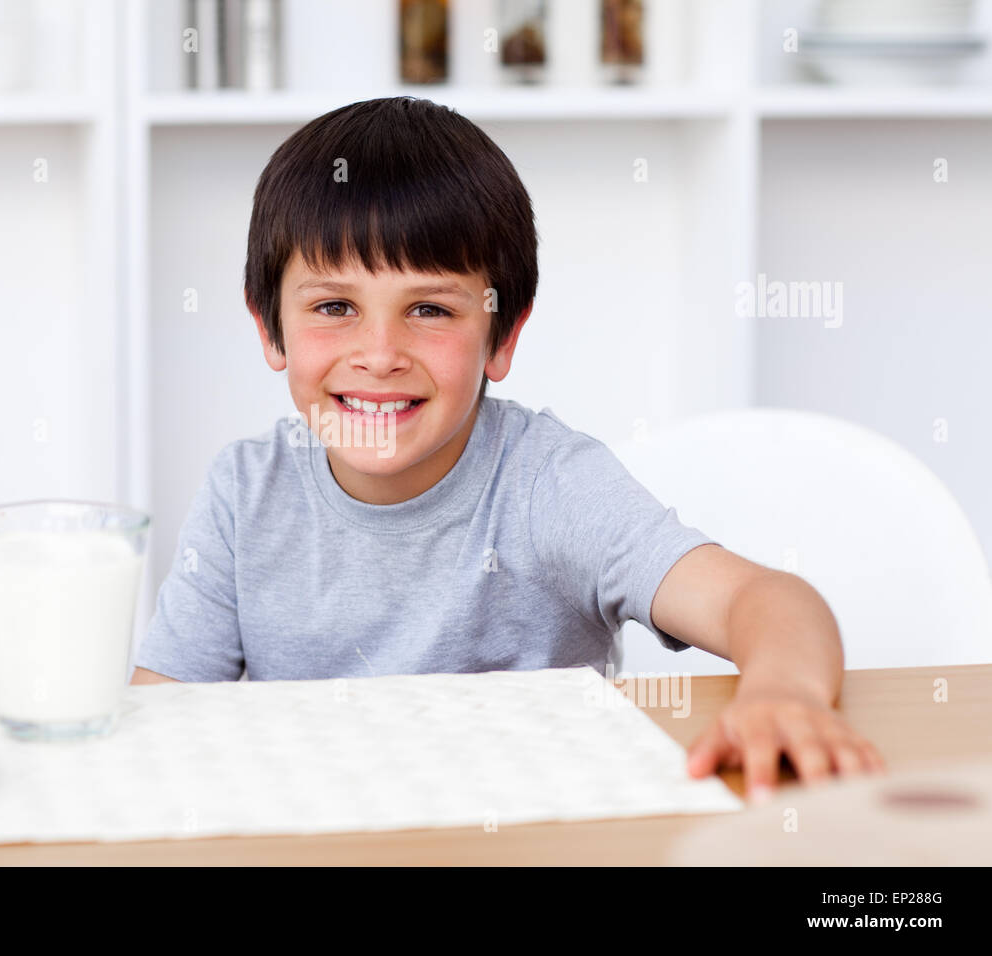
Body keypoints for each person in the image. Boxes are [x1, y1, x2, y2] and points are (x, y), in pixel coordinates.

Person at [131, 96, 884, 802]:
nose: (380, 353)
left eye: (430, 309)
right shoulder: (244, 492)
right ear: (270, 328)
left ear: (502, 336)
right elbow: (157, 721)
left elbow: (769, 600)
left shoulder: (549, 484)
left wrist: (782, 690)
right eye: (335, 307)